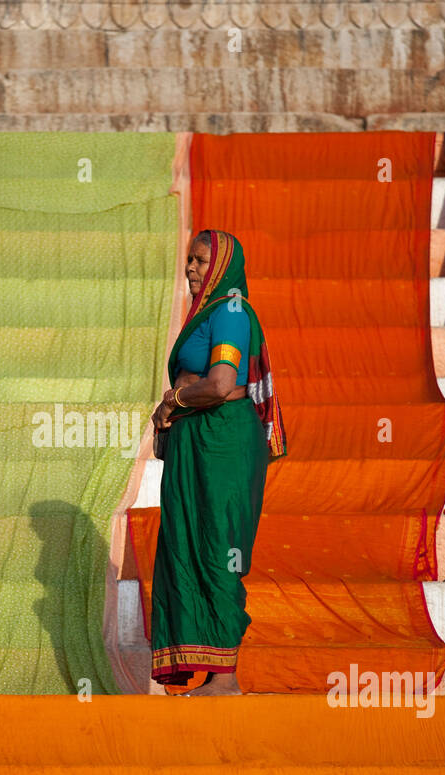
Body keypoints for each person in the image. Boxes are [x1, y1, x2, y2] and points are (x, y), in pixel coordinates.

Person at [149, 229, 286, 696]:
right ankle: (212, 671)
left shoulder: (229, 310)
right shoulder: (209, 314)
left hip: (221, 444)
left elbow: (223, 383)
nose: (190, 268)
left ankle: (225, 678)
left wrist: (172, 402)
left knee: (217, 546)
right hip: (199, 443)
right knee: (188, 544)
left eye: (201, 261)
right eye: (189, 259)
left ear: (223, 267)